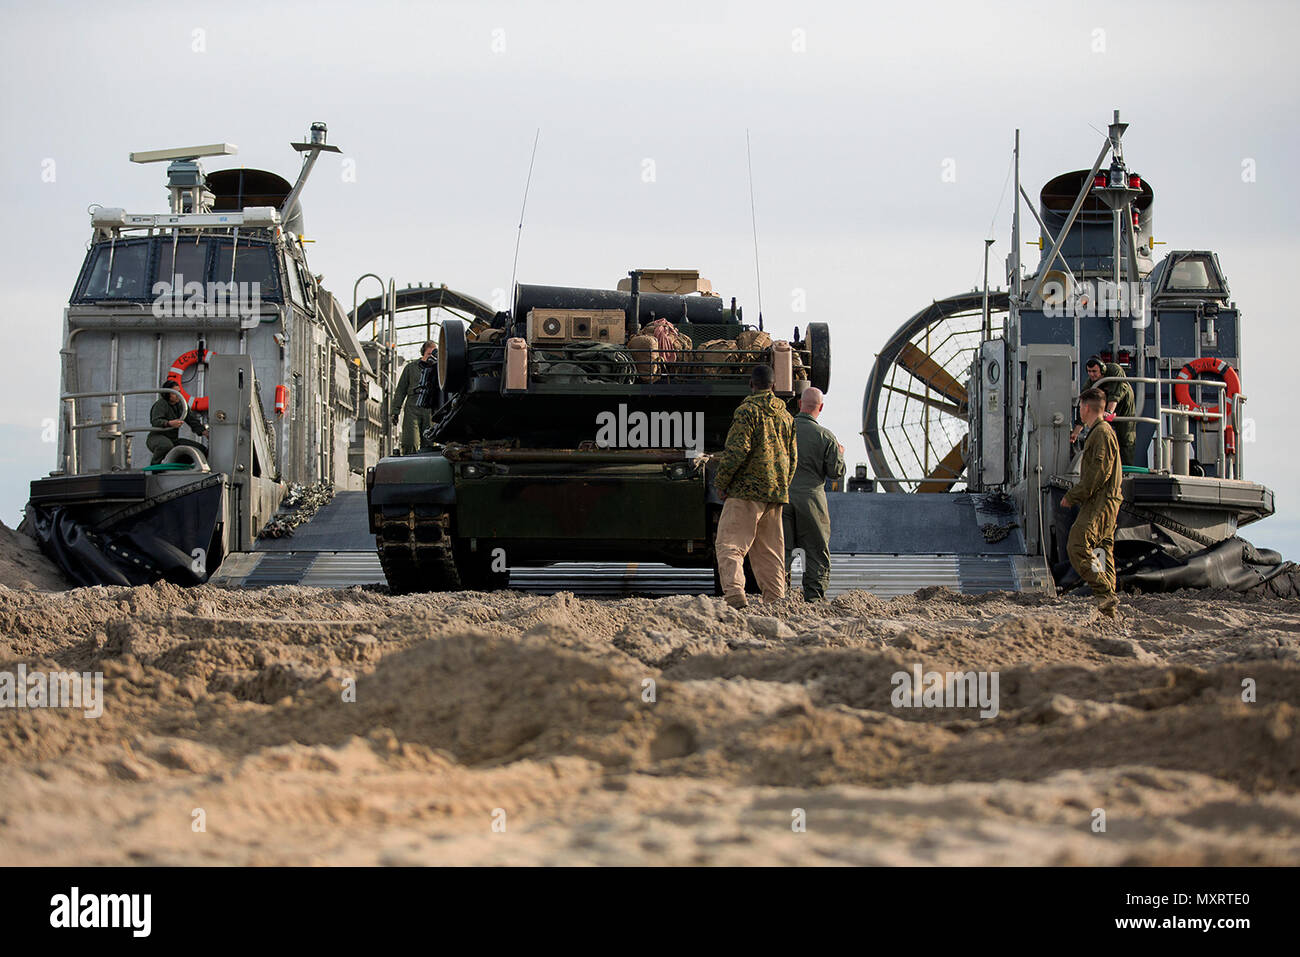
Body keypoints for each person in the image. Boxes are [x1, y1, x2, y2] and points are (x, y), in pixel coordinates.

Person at [713, 364, 797, 609]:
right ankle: (775, 599)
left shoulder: (746, 411)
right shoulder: (786, 415)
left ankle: (735, 595)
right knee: (770, 553)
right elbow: (792, 457)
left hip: (745, 492)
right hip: (775, 492)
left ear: (751, 384)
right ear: (773, 385)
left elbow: (737, 450)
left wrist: (722, 482)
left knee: (730, 545)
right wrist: (781, 485)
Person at [1061, 387, 1124, 617]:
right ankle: (1108, 608)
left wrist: (1072, 496)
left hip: (1101, 502)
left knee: (1077, 545)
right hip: (1103, 500)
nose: (1080, 411)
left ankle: (1106, 594)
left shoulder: (1101, 433)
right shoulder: (1100, 432)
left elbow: (1097, 474)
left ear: (1086, 408)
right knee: (1102, 550)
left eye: (1080, 407)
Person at [783, 387, 845, 601]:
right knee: (816, 551)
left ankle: (776, 595)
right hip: (812, 501)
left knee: (781, 551)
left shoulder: (782, 431)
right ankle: (814, 599)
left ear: (799, 404)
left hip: (781, 499)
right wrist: (840, 455)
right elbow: (835, 472)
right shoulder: (826, 436)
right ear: (821, 407)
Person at [1071, 356, 1136, 466]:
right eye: (1089, 371)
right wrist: (1076, 432)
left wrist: (1109, 412)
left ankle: (1126, 469)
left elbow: (1116, 393)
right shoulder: (1091, 383)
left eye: (1094, 371)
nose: (1092, 374)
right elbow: (1084, 402)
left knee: (1126, 439)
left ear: (1102, 369)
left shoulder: (1115, 371)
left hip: (1123, 407)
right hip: (1104, 411)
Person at [147, 379, 208, 465]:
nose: (178, 395)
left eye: (179, 392)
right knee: (165, 446)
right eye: (174, 393)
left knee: (200, 450)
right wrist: (169, 423)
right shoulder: (161, 404)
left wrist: (203, 431)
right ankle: (155, 467)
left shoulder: (181, 405)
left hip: (173, 439)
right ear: (167, 394)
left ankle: (178, 465)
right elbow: (156, 421)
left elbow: (192, 420)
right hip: (157, 437)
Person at [391, 340, 437, 454]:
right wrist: (395, 411)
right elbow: (401, 389)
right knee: (410, 441)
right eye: (429, 354)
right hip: (413, 407)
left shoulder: (438, 370)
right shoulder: (411, 368)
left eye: (434, 355)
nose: (431, 358)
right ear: (423, 353)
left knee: (430, 442)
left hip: (430, 409)